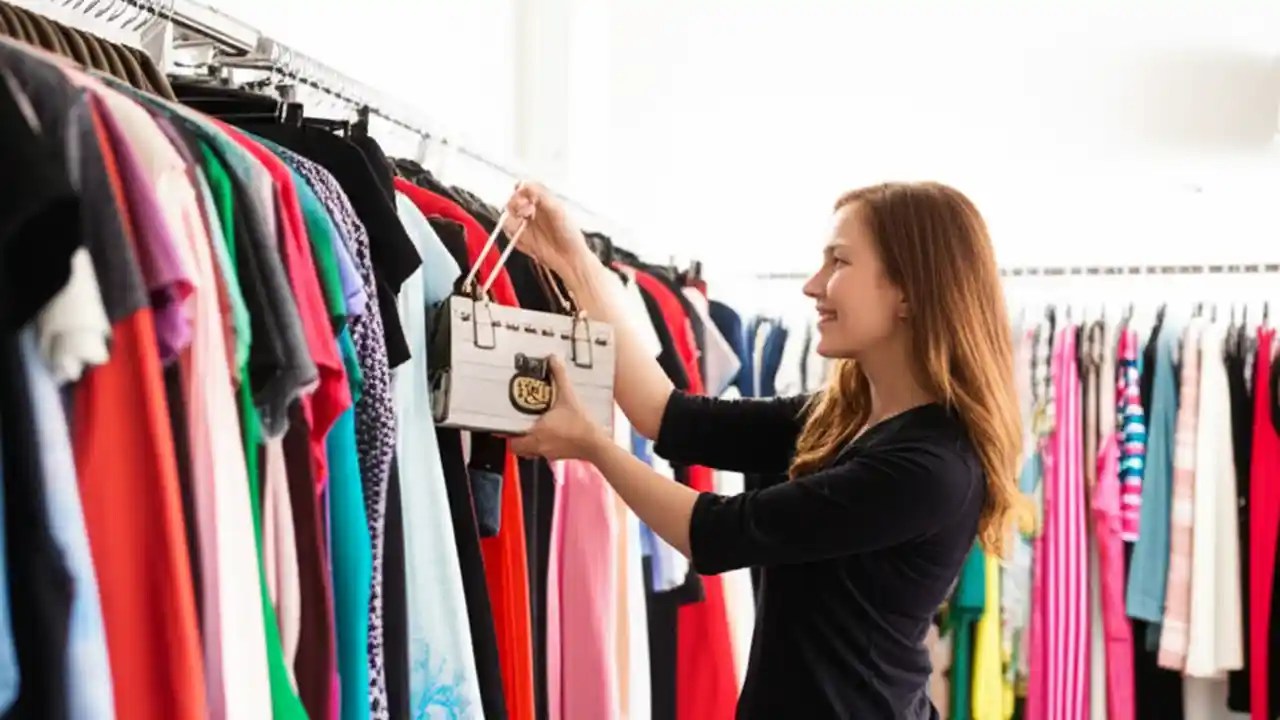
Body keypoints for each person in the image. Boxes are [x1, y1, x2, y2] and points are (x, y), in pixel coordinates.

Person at [501, 180, 1025, 719]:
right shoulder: (843, 418)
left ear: (910, 292)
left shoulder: (930, 466)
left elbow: (718, 532)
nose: (813, 285)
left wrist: (593, 445)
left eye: (838, 262)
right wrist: (572, 257)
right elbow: (666, 414)